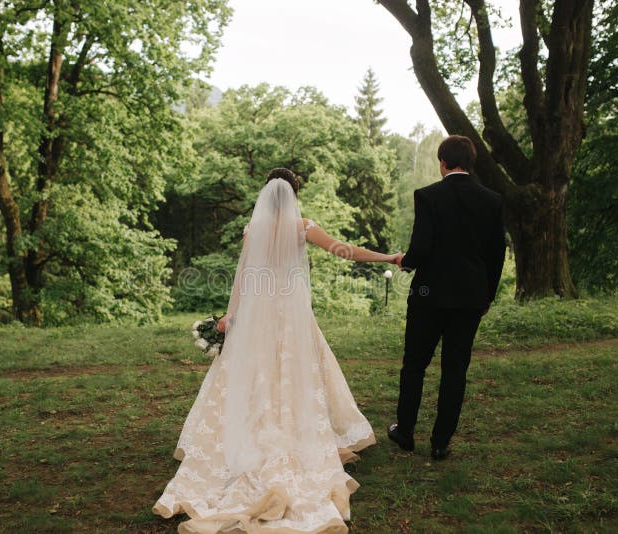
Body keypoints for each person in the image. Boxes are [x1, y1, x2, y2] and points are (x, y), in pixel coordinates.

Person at [154, 168, 401, 533]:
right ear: (294, 195)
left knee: (255, 377)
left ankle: (256, 433)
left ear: (266, 194)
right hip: (291, 317)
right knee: (298, 375)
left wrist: (230, 315)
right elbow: (345, 251)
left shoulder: (252, 230)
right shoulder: (301, 227)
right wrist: (387, 257)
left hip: (257, 317)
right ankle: (292, 432)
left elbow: (242, 276)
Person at [387, 135, 506, 460]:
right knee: (455, 369)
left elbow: (422, 247)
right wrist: (487, 296)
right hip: (470, 299)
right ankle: (440, 442)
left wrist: (406, 262)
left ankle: (406, 432)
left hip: (429, 296)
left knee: (414, 365)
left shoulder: (428, 196)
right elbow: (497, 254)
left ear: (442, 162)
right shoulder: (492, 200)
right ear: (470, 163)